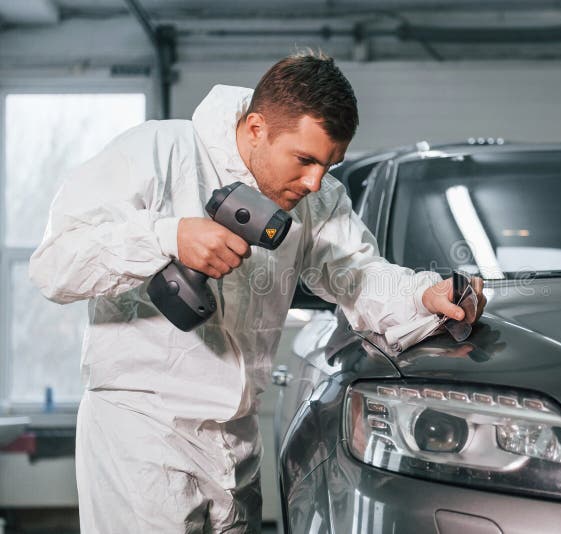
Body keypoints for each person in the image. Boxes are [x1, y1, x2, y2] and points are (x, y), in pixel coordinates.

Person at [29, 51, 486, 533]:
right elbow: (55, 262)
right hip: (142, 437)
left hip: (236, 444)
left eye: (329, 164)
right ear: (255, 129)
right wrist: (168, 235)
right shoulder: (159, 153)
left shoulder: (317, 198)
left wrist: (422, 296)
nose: (314, 181)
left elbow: (357, 273)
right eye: (305, 159)